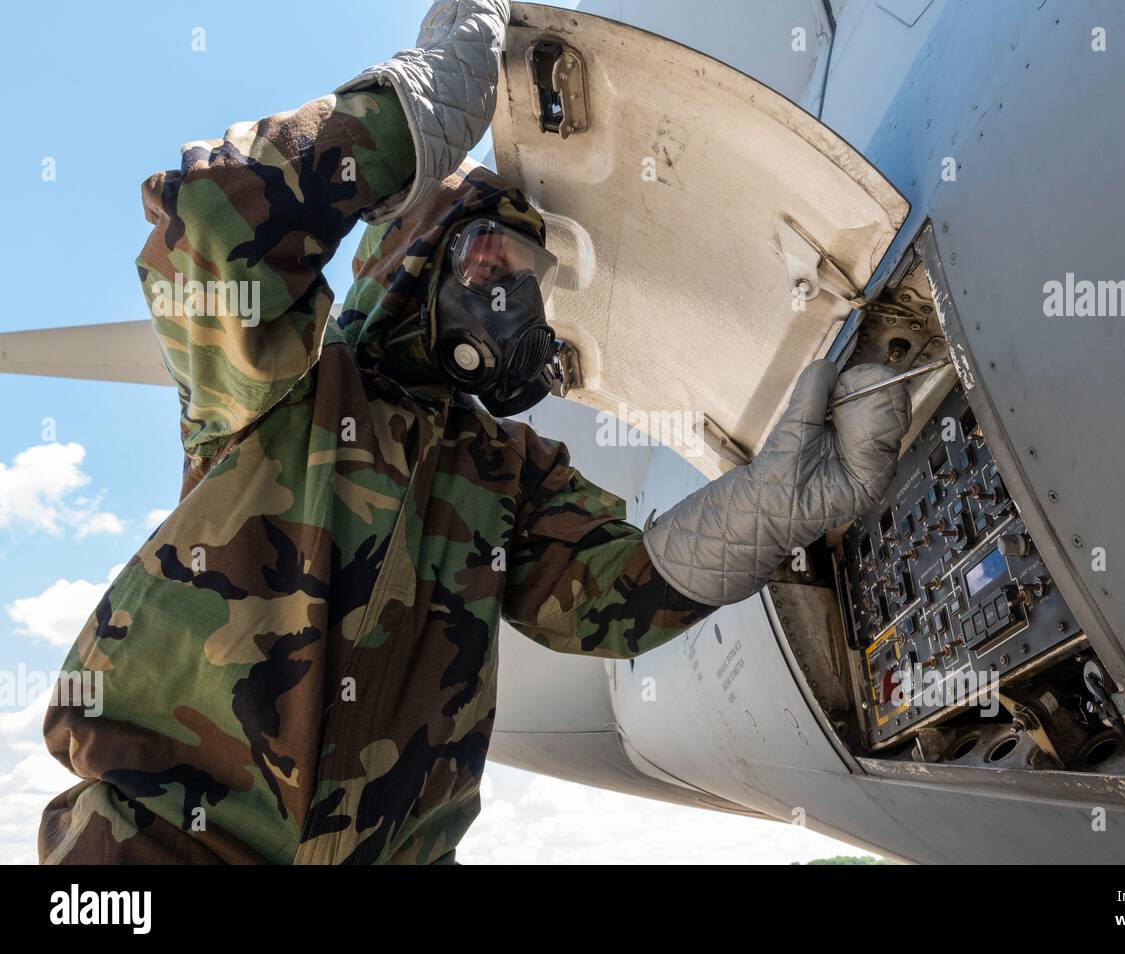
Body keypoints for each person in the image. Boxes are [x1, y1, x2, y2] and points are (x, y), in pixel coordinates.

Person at [39, 0, 909, 864]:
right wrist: (420, 108)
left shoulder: (505, 468)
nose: (514, 289)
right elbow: (217, 228)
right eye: (492, 253)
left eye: (531, 274)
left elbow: (613, 597)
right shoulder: (280, 387)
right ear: (410, 252)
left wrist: (771, 509)